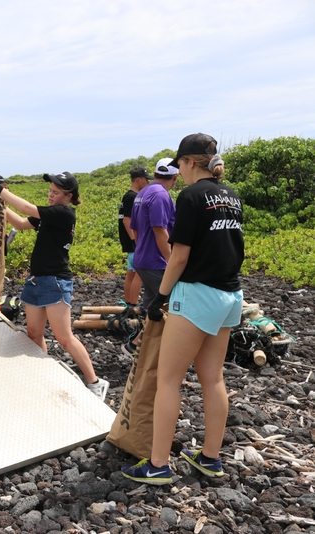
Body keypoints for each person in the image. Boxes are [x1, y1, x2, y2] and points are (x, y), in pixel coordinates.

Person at [121, 133, 244, 484]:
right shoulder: (230, 196)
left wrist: (160, 295)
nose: (181, 173)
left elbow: (180, 255)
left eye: (181, 166)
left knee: (169, 380)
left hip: (197, 294)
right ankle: (210, 458)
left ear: (190, 162)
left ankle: (158, 464)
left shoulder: (191, 196)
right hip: (229, 295)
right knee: (213, 378)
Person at [0, 173, 109, 400]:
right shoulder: (50, 214)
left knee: (64, 336)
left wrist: (0, 190)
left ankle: (95, 382)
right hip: (36, 280)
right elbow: (21, 223)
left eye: (56, 192)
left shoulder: (63, 213)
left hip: (55, 282)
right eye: (50, 190)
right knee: (34, 333)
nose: (51, 195)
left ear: (69, 196)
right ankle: (42, 374)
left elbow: (28, 208)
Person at [123, 158, 179, 355]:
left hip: (143, 259)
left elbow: (135, 229)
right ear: (175, 176)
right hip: (157, 263)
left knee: (151, 305)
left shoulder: (143, 192)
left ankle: (143, 347)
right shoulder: (161, 195)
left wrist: (141, 251)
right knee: (169, 306)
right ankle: (139, 346)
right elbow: (160, 231)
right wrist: (172, 261)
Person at [118, 167, 151, 308]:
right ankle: (132, 303)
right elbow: (127, 220)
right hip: (133, 242)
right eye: (146, 179)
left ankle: (128, 302)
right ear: (138, 180)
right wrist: (136, 241)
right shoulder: (132, 197)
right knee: (138, 273)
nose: (148, 182)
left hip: (130, 242)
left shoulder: (128, 196)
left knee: (131, 272)